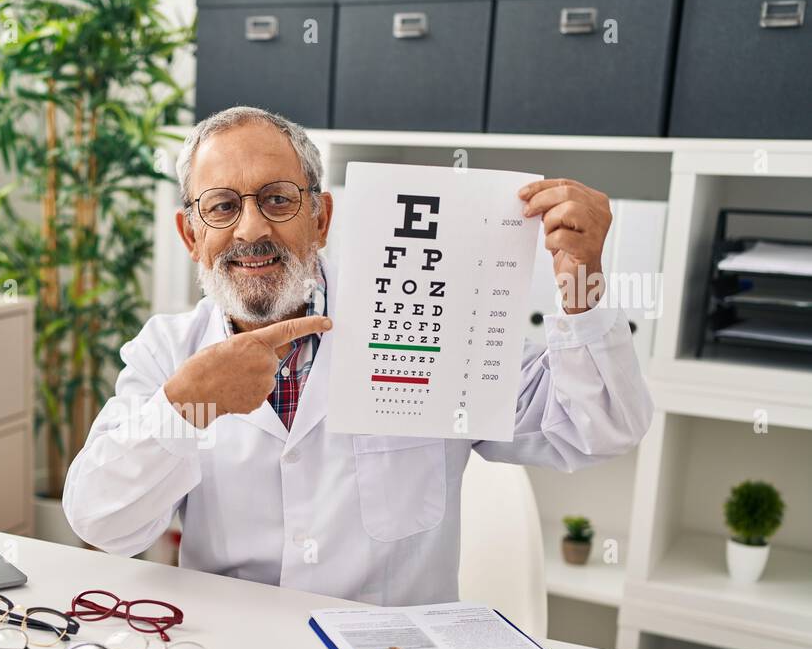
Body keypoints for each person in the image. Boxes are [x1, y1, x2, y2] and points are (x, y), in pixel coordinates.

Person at [62, 106, 653, 606]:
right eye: (220, 206)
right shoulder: (167, 353)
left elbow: (596, 430)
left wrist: (581, 282)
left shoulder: (428, 312)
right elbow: (103, 523)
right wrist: (184, 406)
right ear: (191, 234)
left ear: (320, 219)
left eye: (277, 199)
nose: (249, 230)